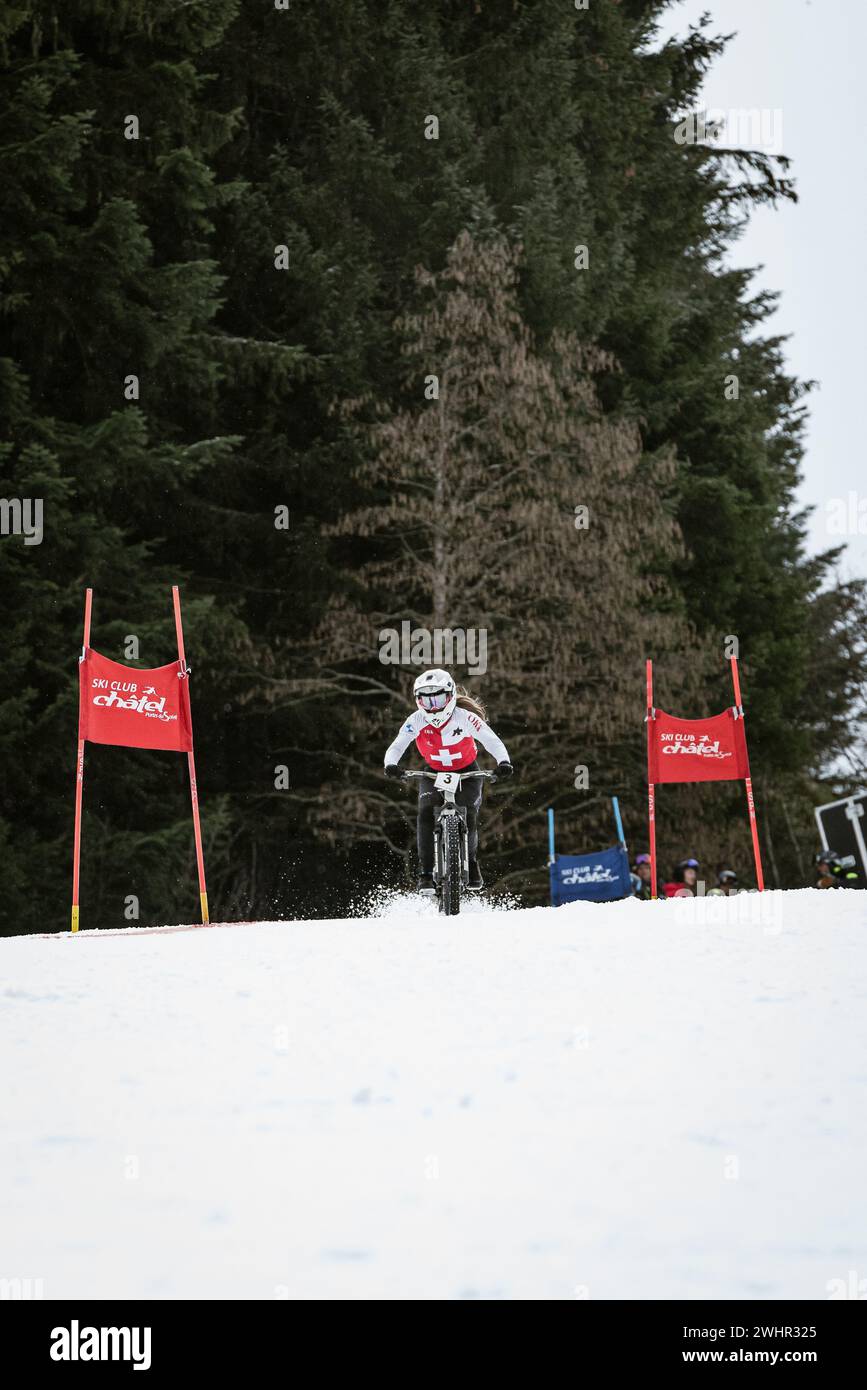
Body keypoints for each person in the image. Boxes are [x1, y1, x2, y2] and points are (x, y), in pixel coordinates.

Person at [383, 669, 513, 894]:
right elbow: (397, 744)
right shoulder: (416, 720)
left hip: (467, 771)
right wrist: (391, 765)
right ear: (417, 701)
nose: (433, 707)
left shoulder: (465, 717)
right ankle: (425, 874)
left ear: (451, 695)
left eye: (438, 699)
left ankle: (471, 863)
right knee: (425, 814)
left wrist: (504, 762)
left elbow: (492, 741)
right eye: (426, 700)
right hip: (433, 772)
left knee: (469, 814)